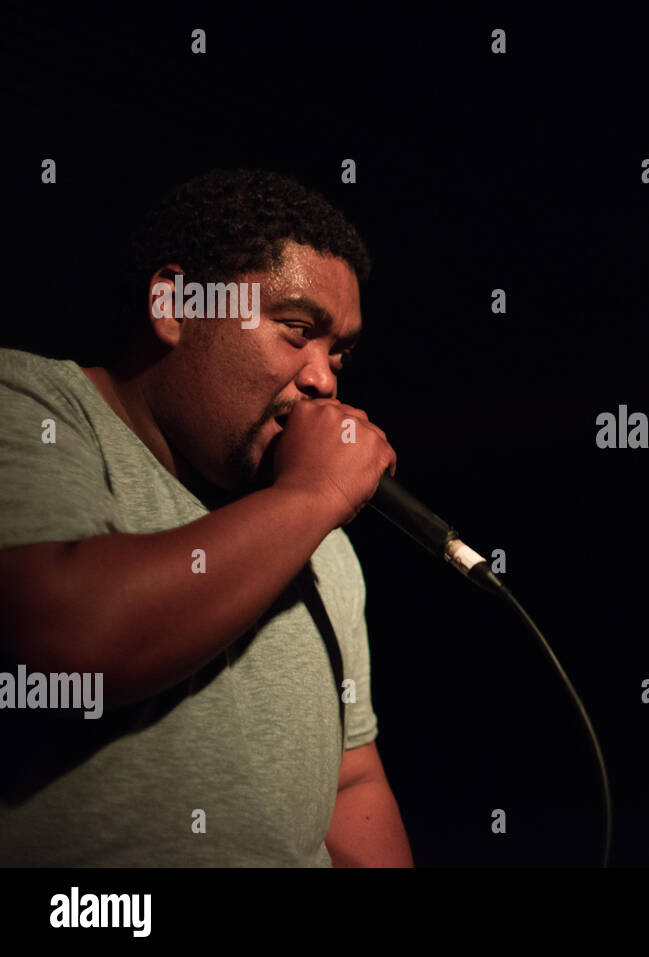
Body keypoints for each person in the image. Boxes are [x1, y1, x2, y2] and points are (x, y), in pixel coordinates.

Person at [0, 169, 412, 866]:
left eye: (338, 351)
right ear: (175, 303)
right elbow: (64, 634)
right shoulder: (33, 404)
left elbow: (350, 780)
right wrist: (310, 499)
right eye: (296, 330)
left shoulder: (319, 538)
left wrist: (309, 508)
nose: (324, 378)